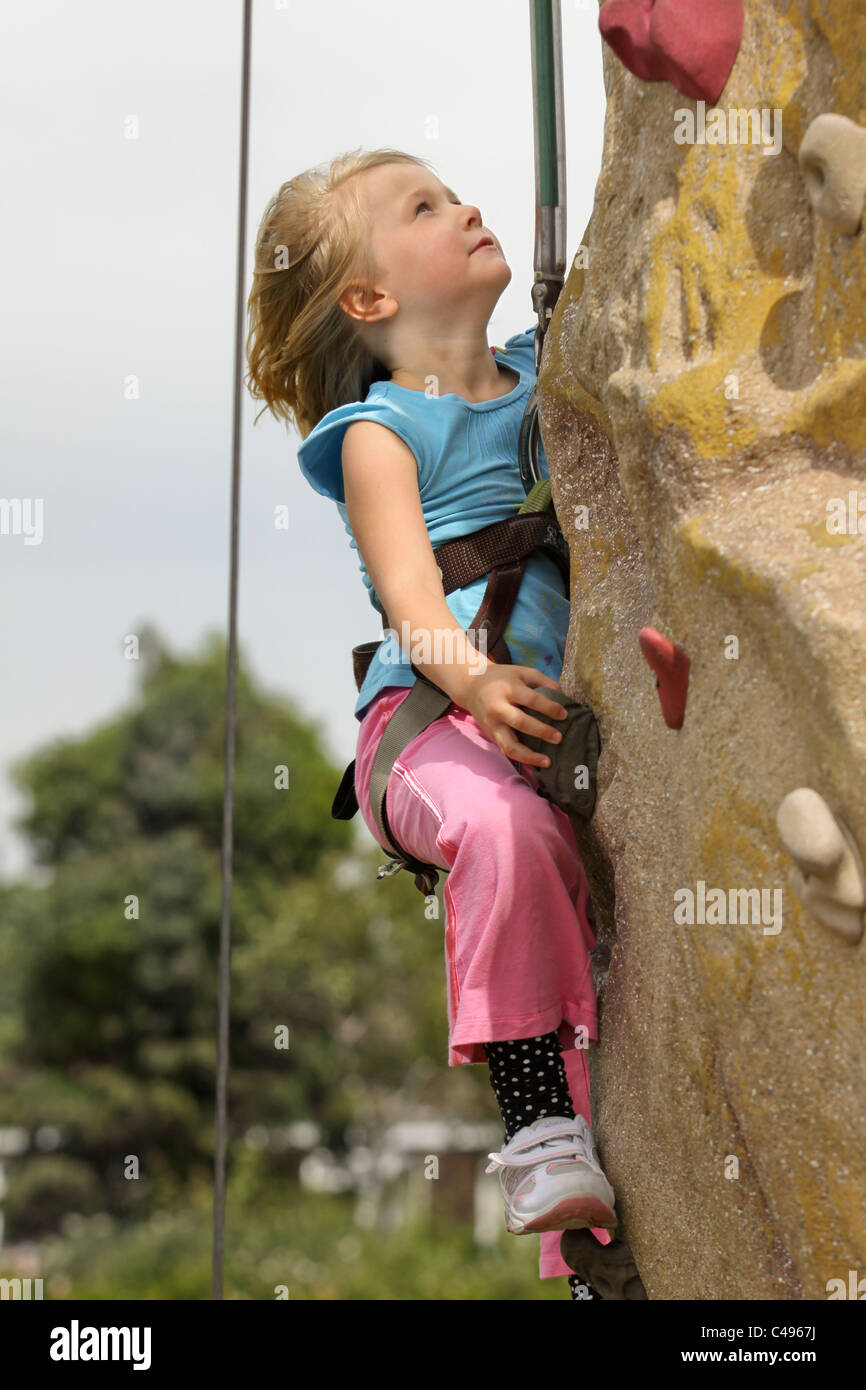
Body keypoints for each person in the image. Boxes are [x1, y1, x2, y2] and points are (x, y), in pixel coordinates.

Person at [246, 146, 617, 1299]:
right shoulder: (379, 433)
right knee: (503, 838)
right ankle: (533, 1126)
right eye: (422, 206)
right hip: (430, 724)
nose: (462, 207)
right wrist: (472, 683)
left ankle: (591, 1229)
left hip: (539, 721)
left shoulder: (543, 370)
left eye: (451, 191)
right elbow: (410, 598)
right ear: (370, 300)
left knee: (588, 913)